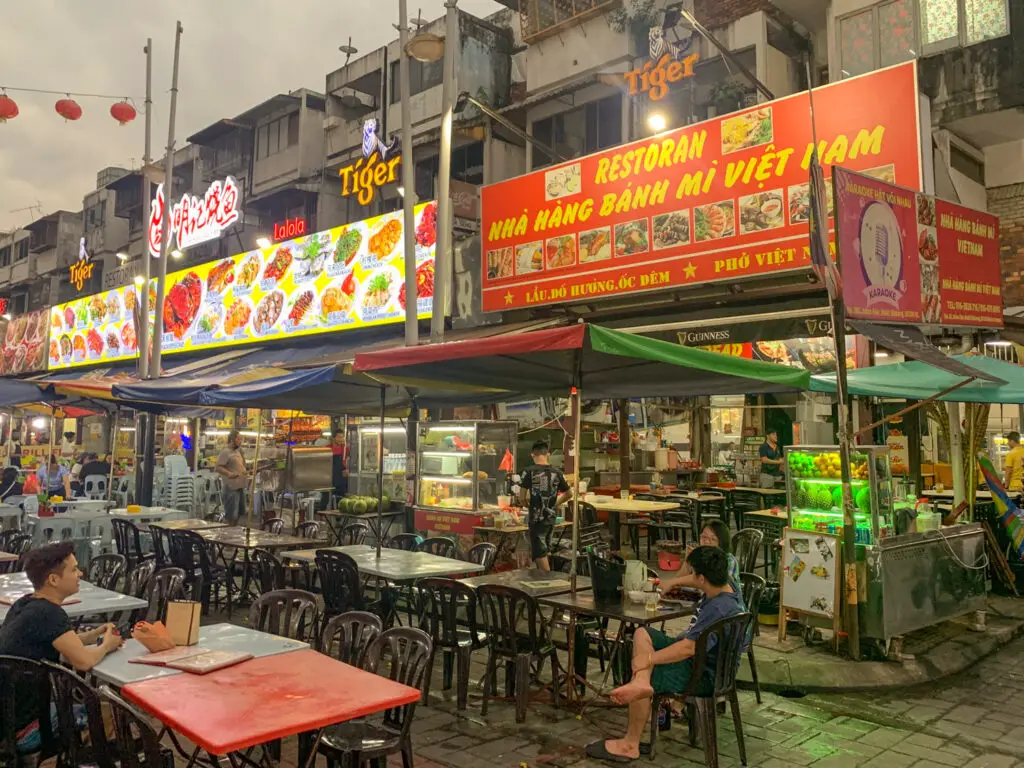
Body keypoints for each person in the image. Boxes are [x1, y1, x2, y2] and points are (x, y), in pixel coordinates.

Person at [586, 546, 745, 762]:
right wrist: (674, 582)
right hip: (707, 664)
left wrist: (649, 659)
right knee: (643, 633)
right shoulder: (728, 588)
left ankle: (629, 744)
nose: (690, 576)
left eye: (693, 573)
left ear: (701, 577)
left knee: (646, 666)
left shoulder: (717, 608)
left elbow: (688, 648)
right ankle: (641, 681)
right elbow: (695, 582)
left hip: (702, 675)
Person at [0, 542, 124, 750]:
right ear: (54, 580)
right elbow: (84, 662)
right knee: (112, 711)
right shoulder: (50, 614)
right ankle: (86, 760)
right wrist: (107, 646)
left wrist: (94, 635)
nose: (81, 574)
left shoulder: (25, 604)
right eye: (74, 569)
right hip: (27, 728)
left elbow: (58, 639)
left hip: (8, 719)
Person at [518, 441, 572, 571]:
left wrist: (527, 505)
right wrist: (554, 504)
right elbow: (569, 493)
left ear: (532, 455)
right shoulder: (558, 472)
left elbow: (522, 497)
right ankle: (545, 578)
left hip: (537, 518)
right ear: (548, 454)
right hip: (551, 516)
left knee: (539, 552)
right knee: (546, 548)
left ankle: (548, 579)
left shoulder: (528, 471)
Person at [661, 519, 741, 595]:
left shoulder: (729, 560)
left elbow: (712, 585)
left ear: (722, 543)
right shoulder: (701, 554)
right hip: (700, 599)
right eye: (704, 537)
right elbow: (679, 580)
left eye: (713, 539)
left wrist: (673, 582)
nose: (706, 542)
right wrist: (688, 561)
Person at [215, 430, 248, 524]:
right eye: (238, 439)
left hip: (239, 487)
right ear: (232, 439)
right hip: (231, 488)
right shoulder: (225, 452)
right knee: (231, 515)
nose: (240, 441)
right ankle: (227, 533)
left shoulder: (237, 452)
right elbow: (218, 467)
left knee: (240, 513)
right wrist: (229, 474)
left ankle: (233, 530)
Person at [331, 431, 349, 501]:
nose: (341, 439)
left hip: (342, 478)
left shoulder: (345, 448)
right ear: (333, 438)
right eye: (339, 437)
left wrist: (348, 469)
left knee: (342, 498)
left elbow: (350, 461)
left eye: (342, 437)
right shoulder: (328, 448)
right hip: (331, 478)